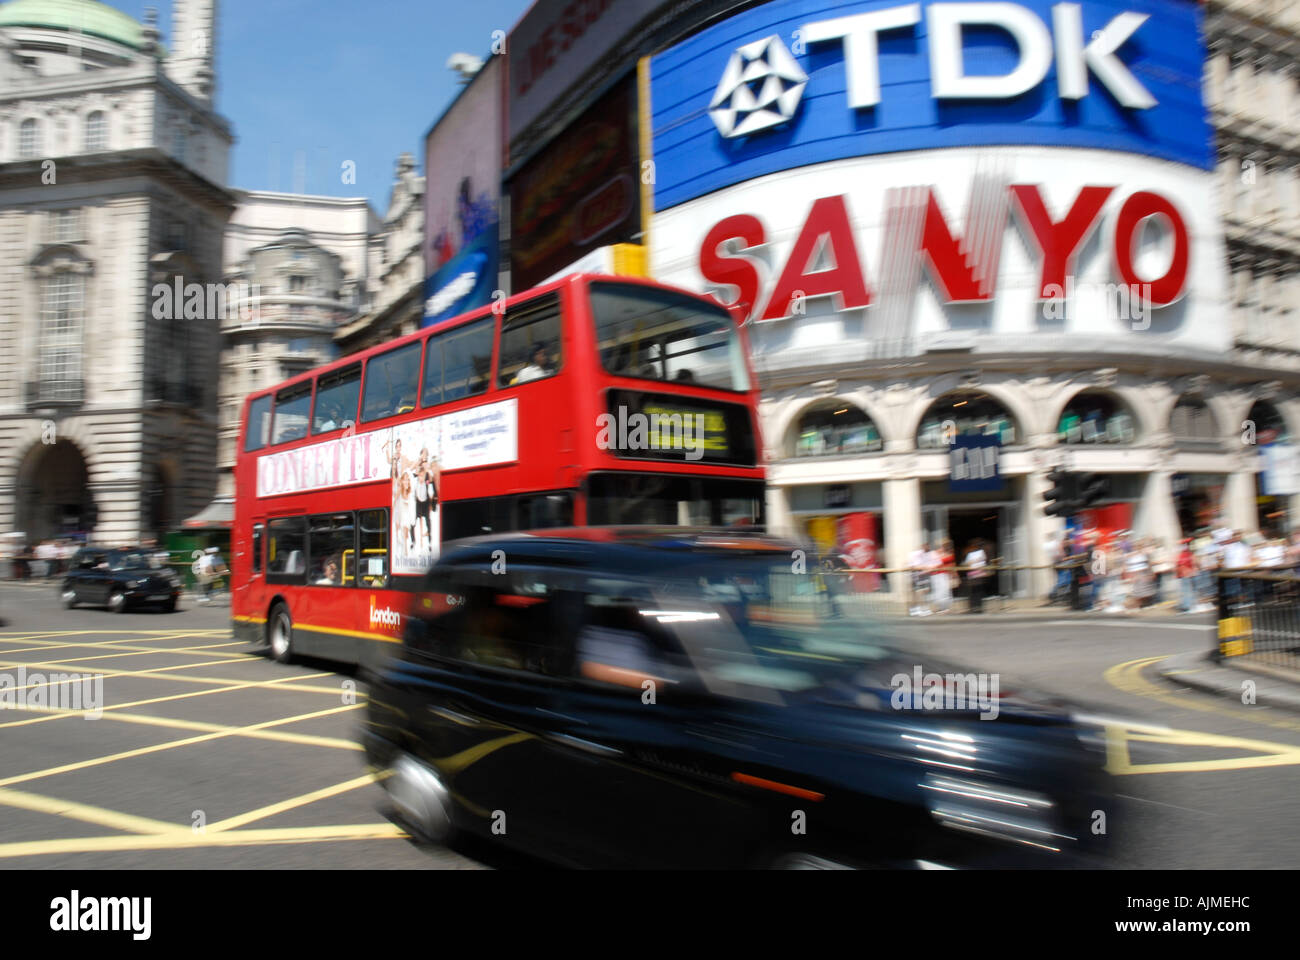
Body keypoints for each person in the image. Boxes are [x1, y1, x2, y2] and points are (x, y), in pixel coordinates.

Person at [963, 539, 989, 613]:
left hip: (979, 573)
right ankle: (973, 607)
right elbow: (967, 563)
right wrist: (974, 561)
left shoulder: (981, 552)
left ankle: (979, 607)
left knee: (979, 590)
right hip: (972, 573)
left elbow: (983, 560)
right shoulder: (970, 554)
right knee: (973, 591)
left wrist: (975, 561)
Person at [908, 543, 931, 617]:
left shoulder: (925, 555)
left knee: (923, 592)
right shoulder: (914, 554)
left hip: (923, 576)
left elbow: (927, 566)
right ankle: (915, 609)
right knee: (917, 593)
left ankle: (922, 609)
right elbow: (912, 566)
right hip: (916, 576)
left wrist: (925, 569)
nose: (928, 549)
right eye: (927, 547)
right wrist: (923, 567)